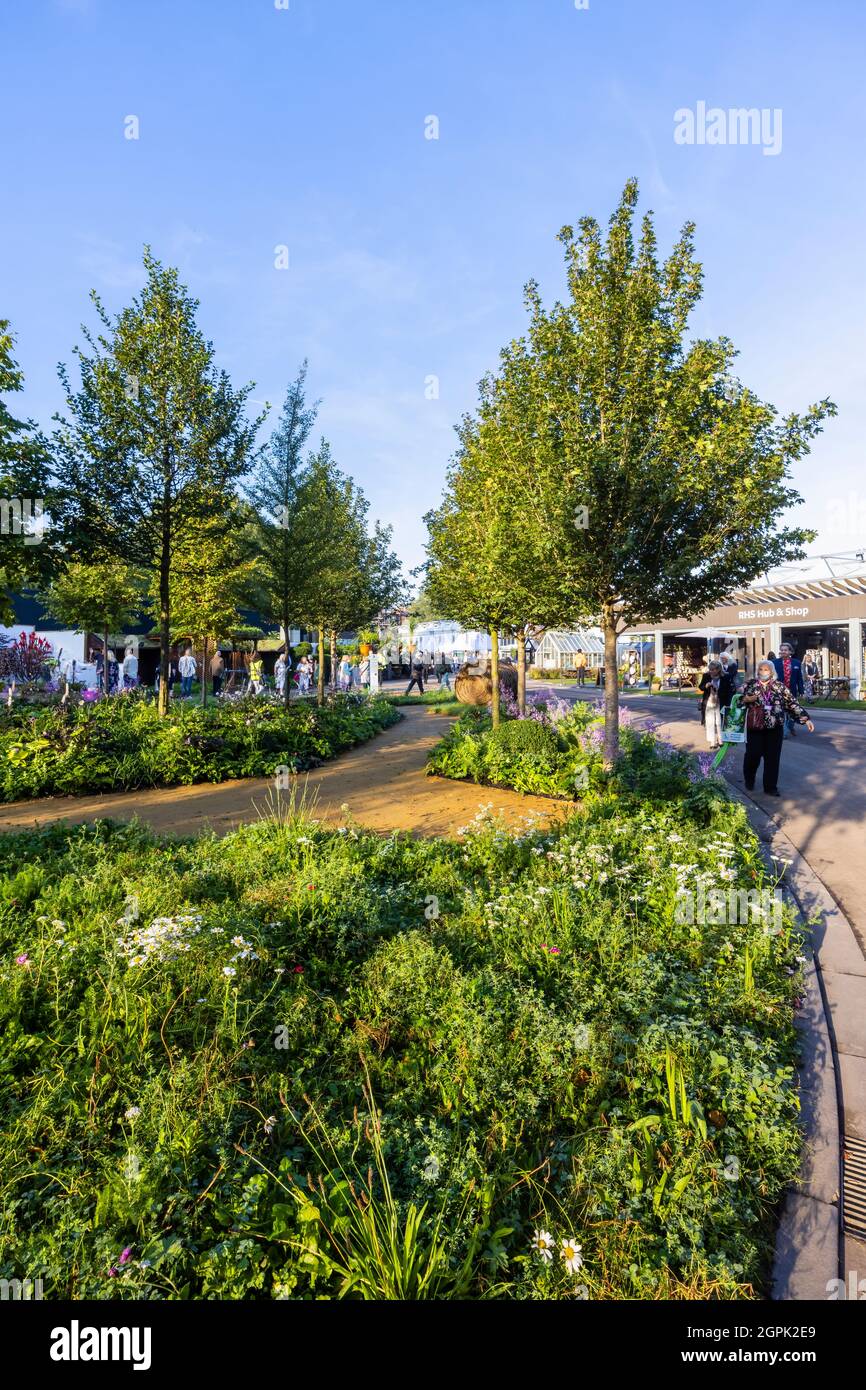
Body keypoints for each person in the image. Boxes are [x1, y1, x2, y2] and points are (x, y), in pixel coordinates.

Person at [741, 660, 814, 796]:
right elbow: (737, 698)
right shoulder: (750, 685)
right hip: (755, 727)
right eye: (761, 669)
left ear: (772, 672)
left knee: (772, 758)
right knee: (753, 755)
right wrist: (745, 699)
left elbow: (792, 703)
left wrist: (805, 719)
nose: (763, 672)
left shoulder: (780, 687)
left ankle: (770, 787)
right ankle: (749, 779)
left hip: (775, 728)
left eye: (766, 669)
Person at [699, 659, 734, 749]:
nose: (711, 671)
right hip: (709, 702)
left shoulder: (726, 677)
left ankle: (720, 739)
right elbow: (701, 687)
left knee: (719, 722)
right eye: (710, 669)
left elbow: (729, 691)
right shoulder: (706, 676)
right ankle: (712, 741)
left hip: (721, 702)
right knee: (710, 722)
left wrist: (729, 704)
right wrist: (705, 686)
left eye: (713, 669)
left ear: (718, 669)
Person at [772, 642, 804, 738]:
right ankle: (784, 733)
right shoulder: (774, 663)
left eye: (785, 650)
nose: (783, 652)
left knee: (793, 712)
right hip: (778, 692)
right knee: (781, 712)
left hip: (792, 692)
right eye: (781, 650)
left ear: (790, 651)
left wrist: (801, 691)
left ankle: (790, 726)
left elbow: (799, 678)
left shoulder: (796, 663)